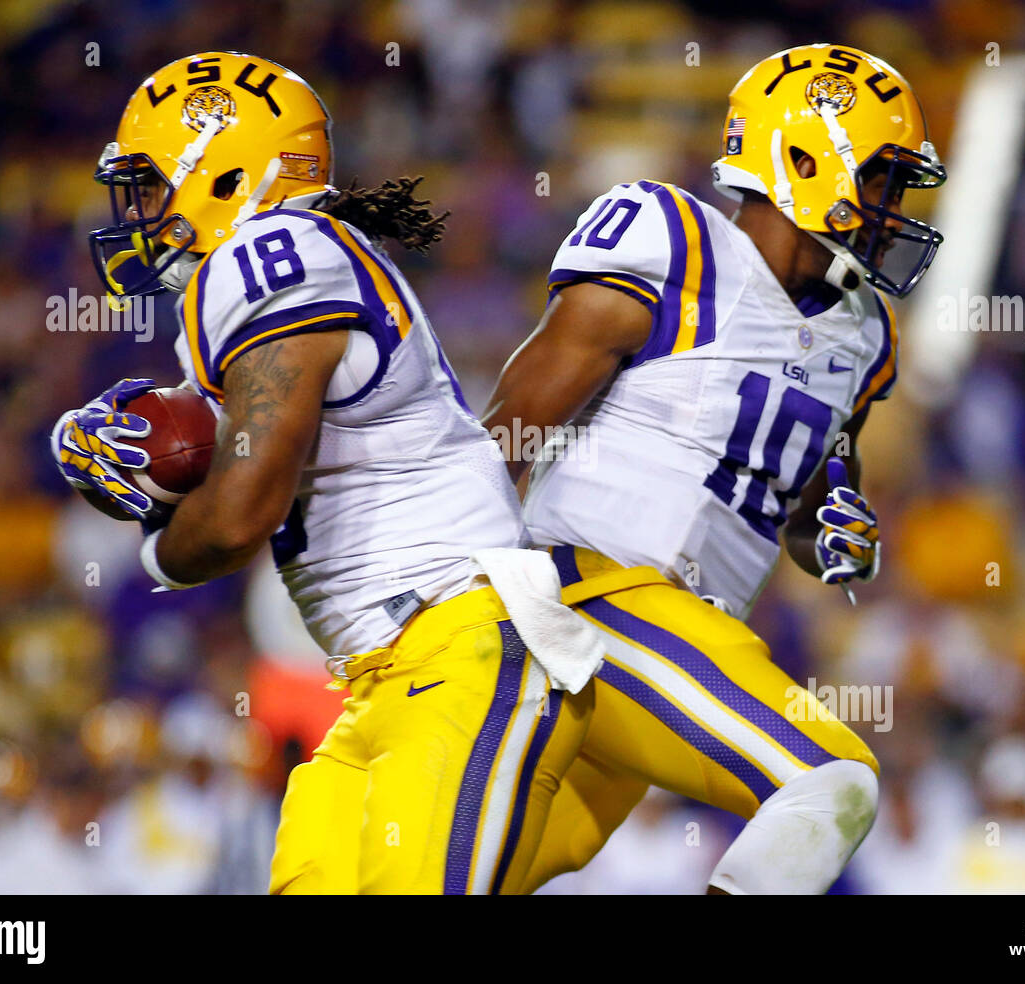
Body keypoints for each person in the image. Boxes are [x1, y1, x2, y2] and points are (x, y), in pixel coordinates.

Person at [50, 52, 600, 894]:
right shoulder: (280, 260)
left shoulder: (268, 256)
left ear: (225, 171)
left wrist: (157, 541)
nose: (141, 209)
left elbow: (239, 517)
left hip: (457, 649)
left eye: (153, 182)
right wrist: (170, 454)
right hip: (382, 677)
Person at [481, 43, 947, 894]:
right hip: (583, 598)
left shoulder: (864, 334)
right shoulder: (675, 243)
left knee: (473, 875)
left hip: (675, 650)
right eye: (882, 177)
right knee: (830, 781)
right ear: (804, 162)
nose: (895, 207)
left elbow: (801, 501)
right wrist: (456, 602)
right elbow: (509, 430)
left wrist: (832, 529)